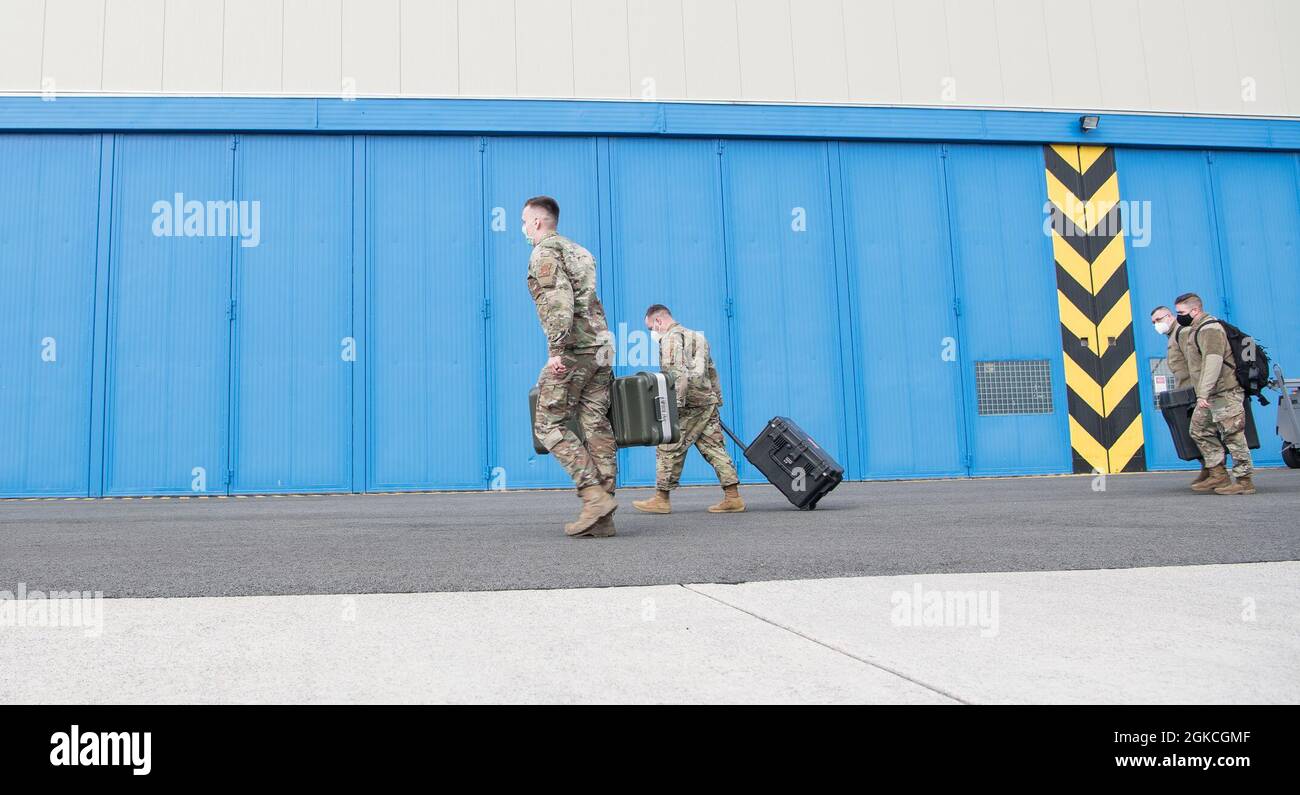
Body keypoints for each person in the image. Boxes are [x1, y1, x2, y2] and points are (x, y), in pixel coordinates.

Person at [523, 196, 619, 536]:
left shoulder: (544, 252)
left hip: (574, 347)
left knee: (548, 424)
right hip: (602, 348)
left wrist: (556, 350)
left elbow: (559, 302)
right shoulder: (580, 251)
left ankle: (592, 496)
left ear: (536, 222)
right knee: (595, 425)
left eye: (524, 222)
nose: (523, 229)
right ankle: (603, 518)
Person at [632, 305, 745, 514]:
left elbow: (678, 375)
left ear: (658, 321)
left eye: (650, 328)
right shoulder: (697, 336)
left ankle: (661, 498)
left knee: (667, 446)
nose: (652, 333)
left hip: (689, 405)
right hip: (706, 401)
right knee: (713, 447)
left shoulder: (670, 339)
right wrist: (716, 398)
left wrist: (674, 408)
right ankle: (733, 496)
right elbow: (712, 370)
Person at [1173, 293, 1256, 495]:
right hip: (1212, 394)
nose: (1179, 317)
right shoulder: (1194, 329)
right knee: (1199, 430)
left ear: (1195, 310)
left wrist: (1203, 394)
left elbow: (1213, 362)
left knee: (1233, 434)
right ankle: (1218, 474)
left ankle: (1244, 481)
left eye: (1181, 312)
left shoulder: (1210, 329)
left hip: (1224, 393)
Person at [1153, 304, 1215, 486]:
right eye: (1153, 322)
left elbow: (1195, 362)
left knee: (1201, 432)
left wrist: (1201, 391)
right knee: (1193, 433)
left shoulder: (1182, 333)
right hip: (1186, 391)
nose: (1156, 324)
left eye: (1158, 319)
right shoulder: (1172, 335)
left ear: (1169, 316)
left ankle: (1215, 472)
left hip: (1194, 391)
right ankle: (1208, 469)